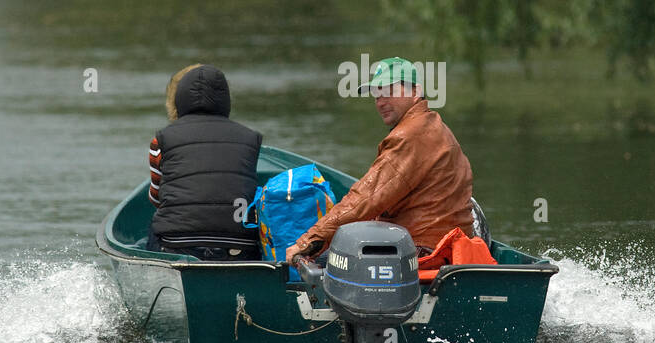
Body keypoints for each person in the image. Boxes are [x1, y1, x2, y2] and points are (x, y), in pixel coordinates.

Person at [285, 57, 474, 263]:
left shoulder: (410, 136)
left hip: (423, 251)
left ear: (415, 92)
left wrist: (309, 241)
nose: (381, 102)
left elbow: (366, 199)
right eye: (376, 94)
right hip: (444, 246)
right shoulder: (431, 125)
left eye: (389, 92)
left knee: (327, 261)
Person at [146, 64, 262, 260]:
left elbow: (157, 199)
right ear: (226, 100)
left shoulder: (162, 139)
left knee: (152, 229)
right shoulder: (251, 139)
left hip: (177, 245)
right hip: (239, 247)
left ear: (179, 99)